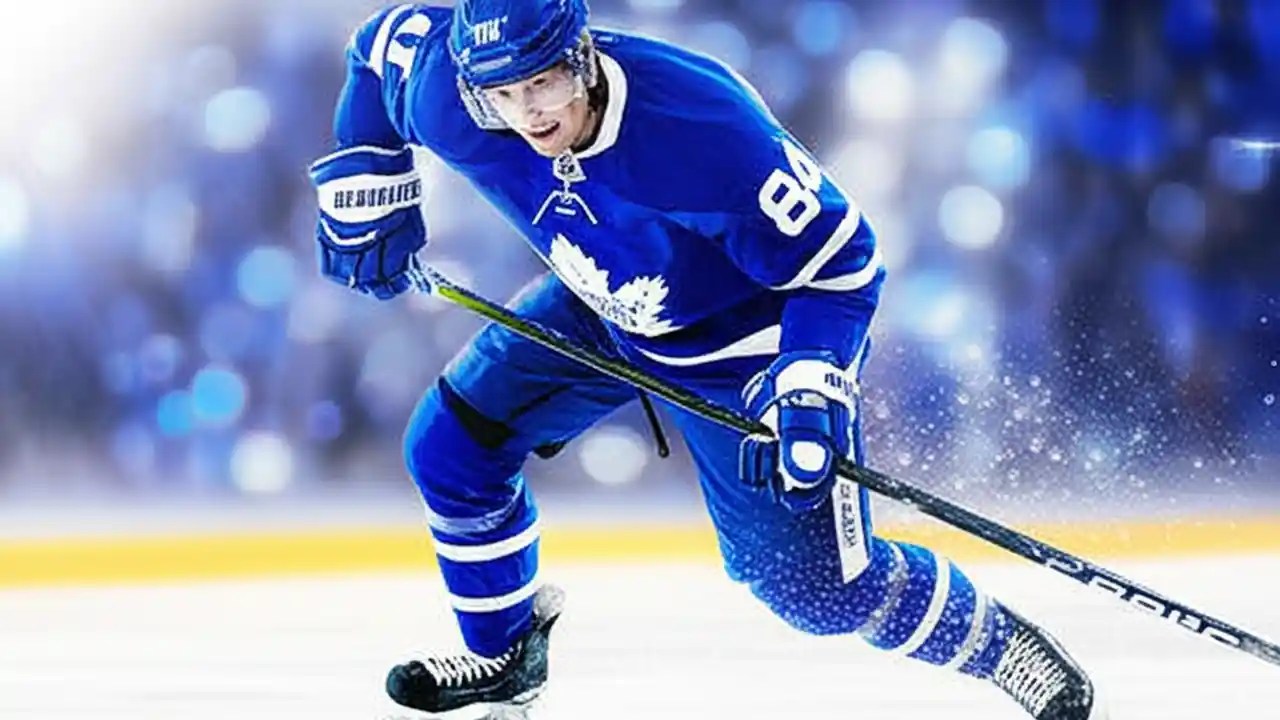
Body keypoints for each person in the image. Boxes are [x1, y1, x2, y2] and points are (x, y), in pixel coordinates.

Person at [308, 2, 1107, 718]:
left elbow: (843, 267)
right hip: (605, 303)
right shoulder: (455, 92)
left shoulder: (704, 128)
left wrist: (807, 386)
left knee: (819, 590)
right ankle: (505, 654)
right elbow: (377, 52)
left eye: (543, 82)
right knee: (449, 450)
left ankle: (1006, 650)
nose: (526, 113)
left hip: (740, 349)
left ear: (581, 54)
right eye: (503, 95)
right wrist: (370, 176)